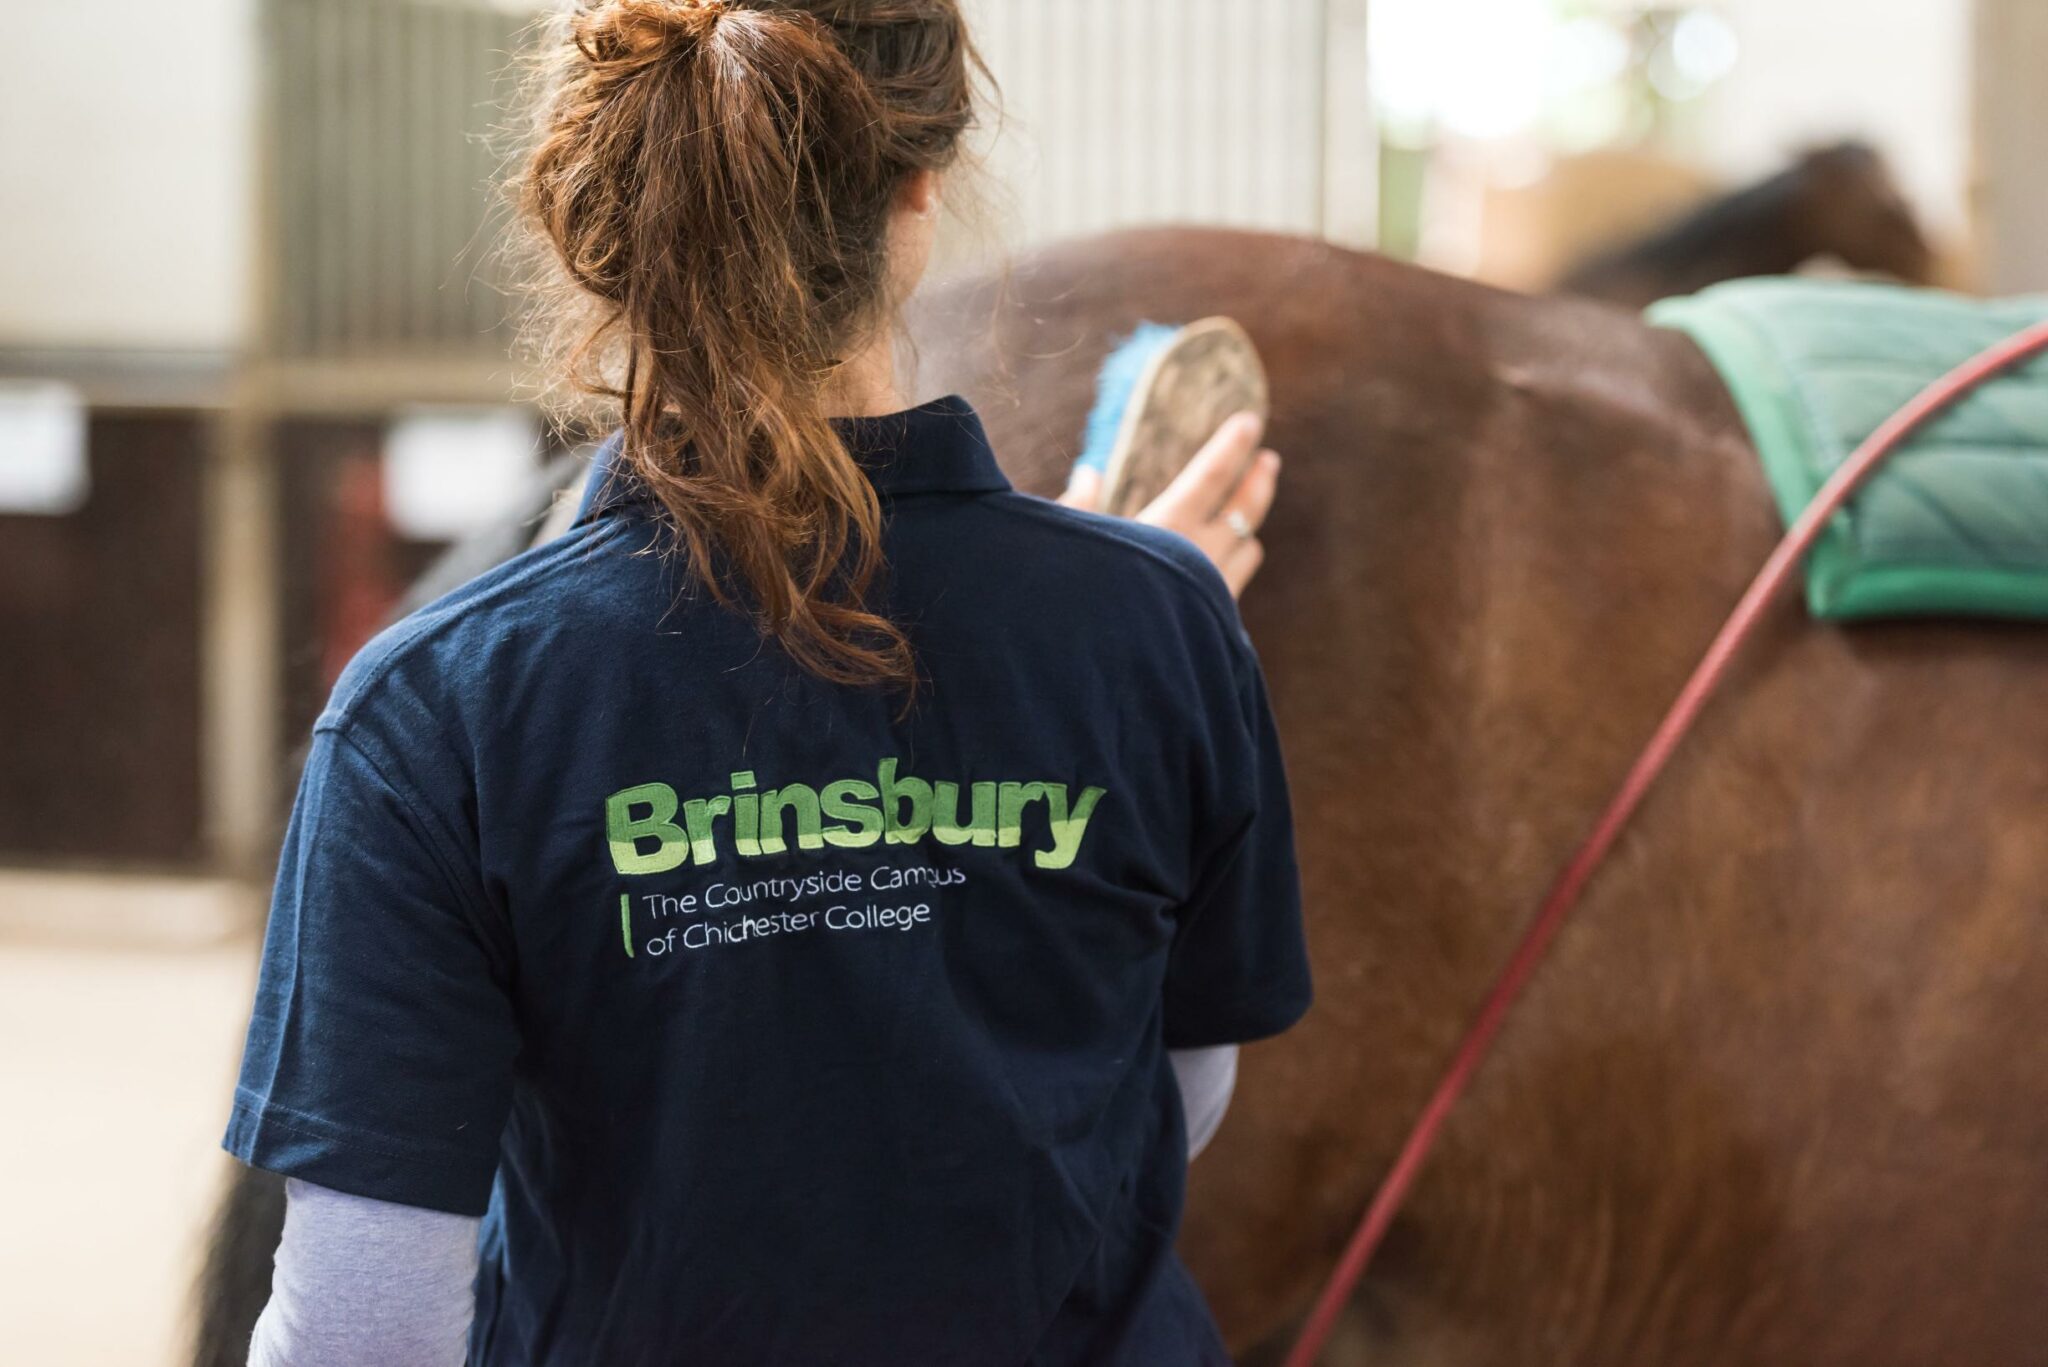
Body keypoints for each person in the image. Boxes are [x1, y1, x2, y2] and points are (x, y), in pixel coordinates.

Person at [223, 3, 1308, 1364]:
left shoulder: (432, 710)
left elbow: (365, 1331)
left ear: (602, 206)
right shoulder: (1164, 624)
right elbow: (1177, 1098)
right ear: (920, 187)